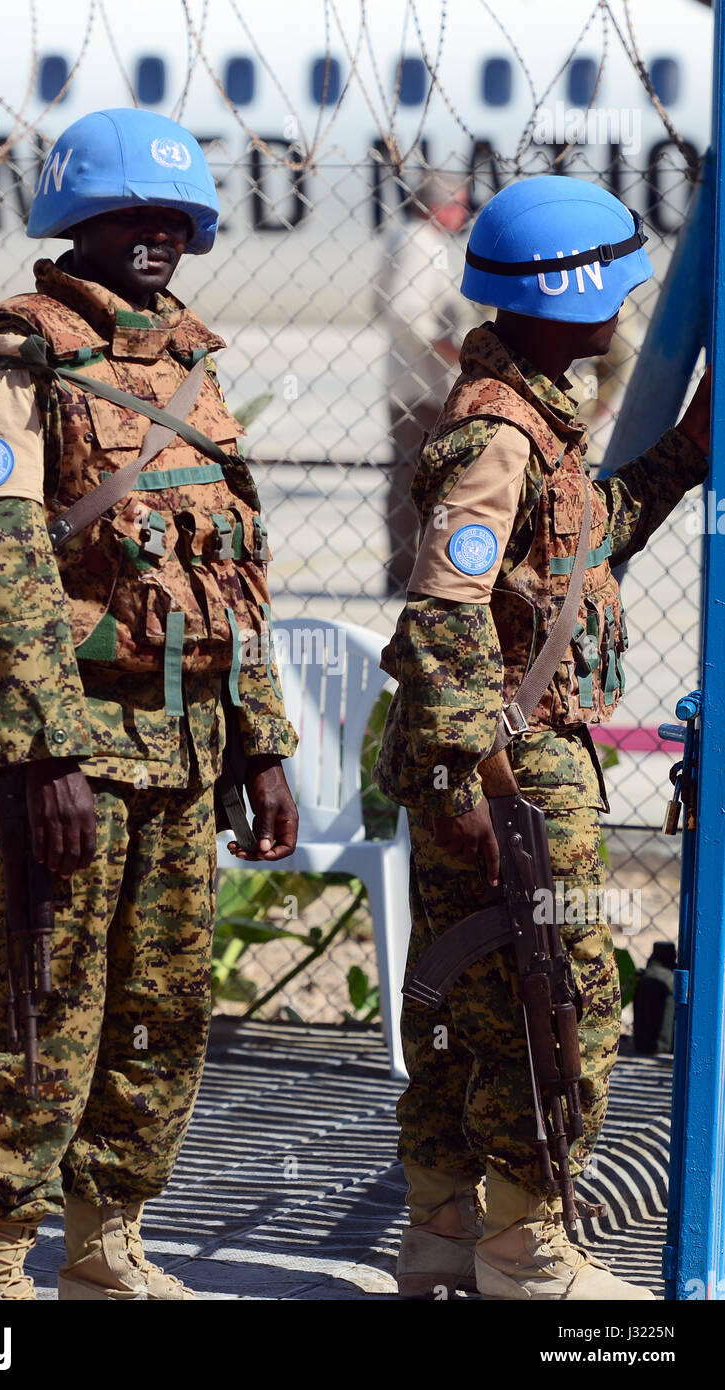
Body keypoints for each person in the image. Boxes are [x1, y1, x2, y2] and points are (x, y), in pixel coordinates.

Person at [0, 109, 299, 1301]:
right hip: (76, 752)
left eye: (172, 218)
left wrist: (261, 744)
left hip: (190, 749)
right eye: (125, 215)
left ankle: (106, 1244)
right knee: (35, 1002)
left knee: (163, 1008)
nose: (153, 236)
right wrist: (42, 758)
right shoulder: (16, 356)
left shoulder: (195, 363)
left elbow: (234, 573)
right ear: (74, 224)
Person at [373, 175, 711, 1301]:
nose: (621, 306)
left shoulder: (528, 417)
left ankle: (439, 1234)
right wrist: (481, 776)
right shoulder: (495, 434)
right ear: (561, 296)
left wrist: (677, 454)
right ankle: (525, 1252)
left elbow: (577, 547)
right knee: (557, 998)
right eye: (607, 286)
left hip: (481, 758)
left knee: (475, 1004)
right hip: (507, 766)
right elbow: (444, 611)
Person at [373, 174, 478, 595]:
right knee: (415, 477)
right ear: (438, 205)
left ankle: (408, 568)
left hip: (416, 381)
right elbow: (406, 311)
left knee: (414, 475)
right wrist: (454, 352)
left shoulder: (409, 236)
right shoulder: (421, 243)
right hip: (422, 385)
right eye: (460, 203)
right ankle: (406, 571)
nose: (465, 212)